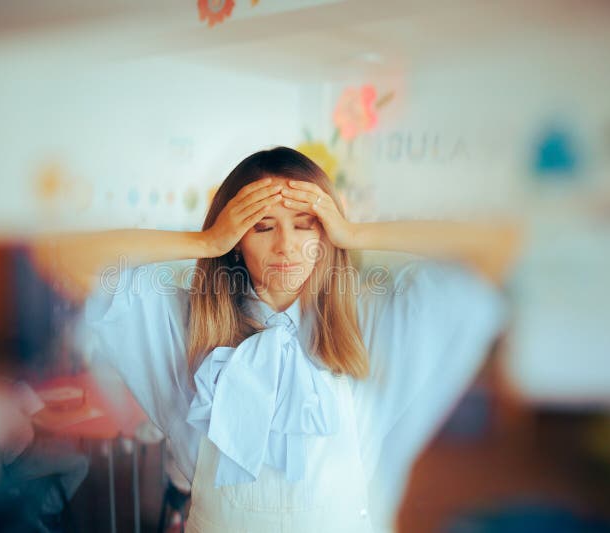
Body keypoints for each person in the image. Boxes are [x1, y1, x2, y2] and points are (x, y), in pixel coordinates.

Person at [34, 146, 523, 532]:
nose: (286, 245)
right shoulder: (183, 324)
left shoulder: (371, 322)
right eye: (261, 226)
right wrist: (203, 241)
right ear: (235, 240)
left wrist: (354, 231)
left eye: (305, 224)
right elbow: (61, 254)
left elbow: (498, 243)